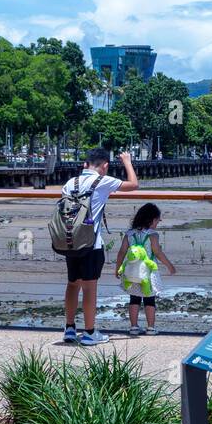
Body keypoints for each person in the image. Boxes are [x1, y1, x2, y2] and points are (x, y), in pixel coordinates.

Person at [62, 148, 140, 345]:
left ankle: (70, 329)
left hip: (70, 241)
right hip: (91, 244)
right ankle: (89, 332)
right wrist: (127, 162)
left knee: (73, 284)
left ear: (85, 164)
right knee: (89, 288)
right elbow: (133, 184)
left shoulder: (70, 183)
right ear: (105, 165)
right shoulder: (103, 181)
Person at [115, 203, 176, 336]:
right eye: (157, 221)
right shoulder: (152, 235)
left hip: (131, 272)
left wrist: (118, 268)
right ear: (151, 220)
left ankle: (134, 327)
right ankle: (151, 328)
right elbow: (158, 252)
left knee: (134, 299)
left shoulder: (129, 234)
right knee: (150, 299)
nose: (157, 223)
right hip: (148, 273)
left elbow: (121, 252)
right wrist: (169, 266)